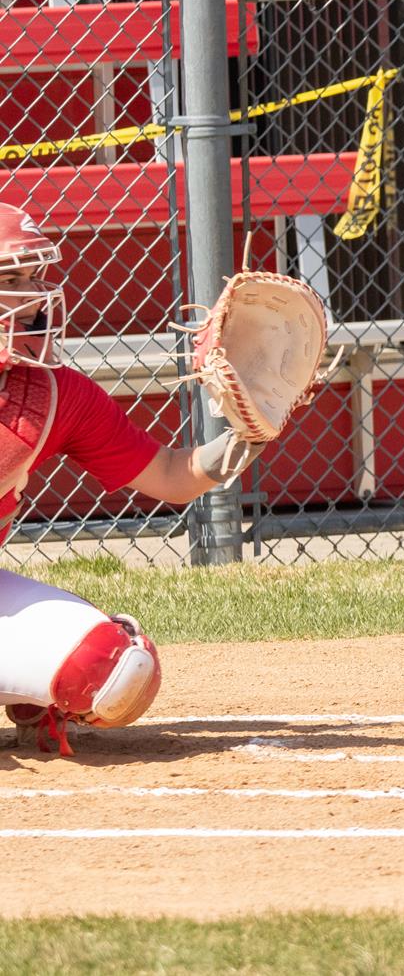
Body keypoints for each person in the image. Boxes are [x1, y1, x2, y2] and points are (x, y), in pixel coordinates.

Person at [0, 205, 276, 755]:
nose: (33, 296)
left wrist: (249, 434)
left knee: (111, 669)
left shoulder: (52, 395)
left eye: (33, 277)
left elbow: (172, 476)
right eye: (11, 280)